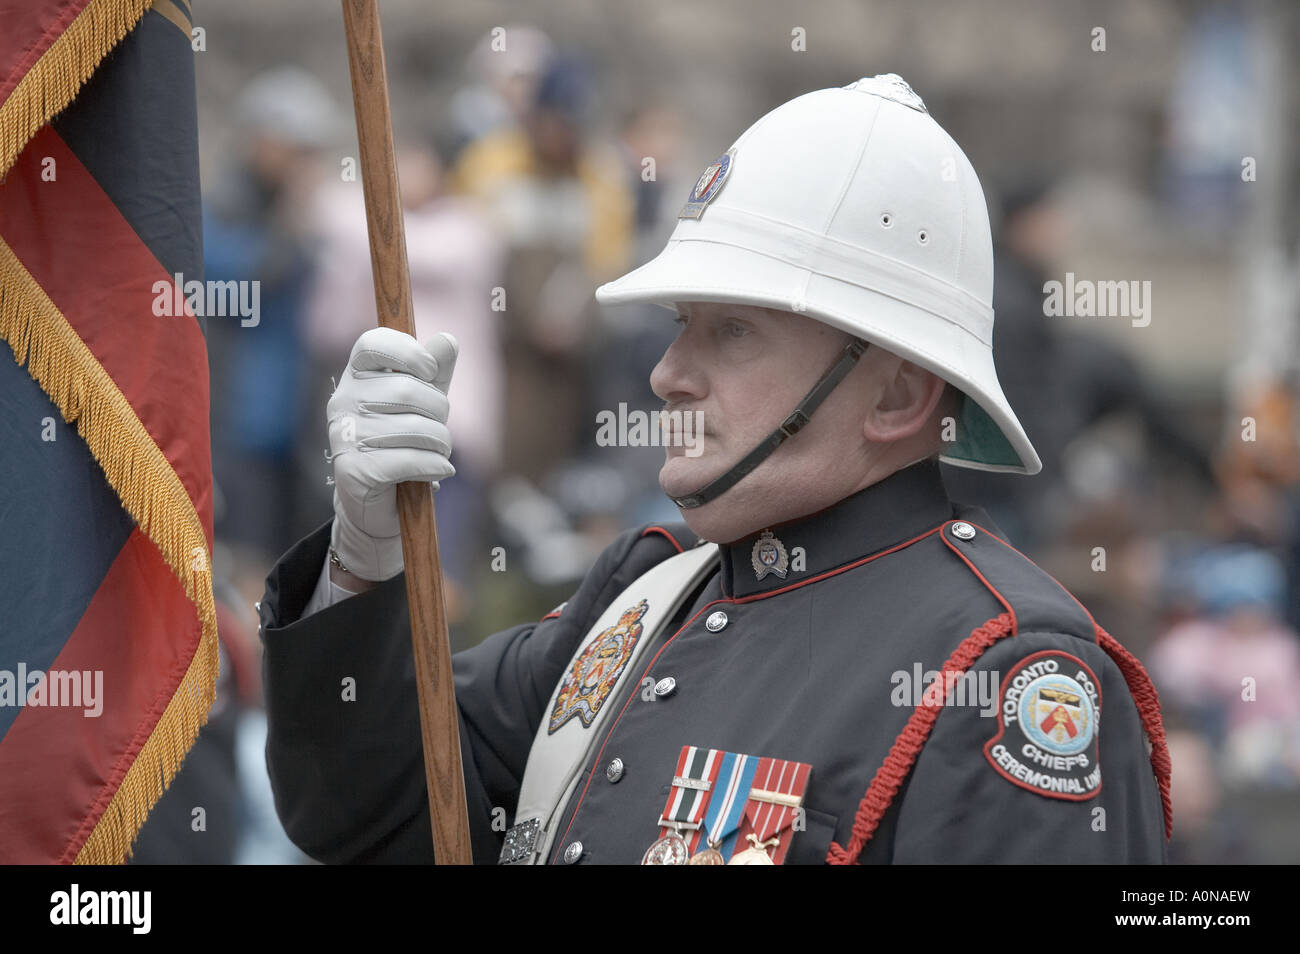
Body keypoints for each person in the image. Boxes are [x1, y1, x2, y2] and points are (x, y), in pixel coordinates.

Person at [258, 74, 1171, 864]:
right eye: (680, 324)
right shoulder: (645, 591)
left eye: (732, 332)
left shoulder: (1009, 676)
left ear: (897, 398)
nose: (665, 374)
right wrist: (364, 554)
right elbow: (366, 813)